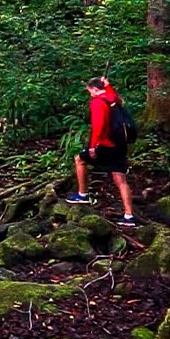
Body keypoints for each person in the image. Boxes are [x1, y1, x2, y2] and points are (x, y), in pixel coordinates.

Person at [65, 76, 136, 227]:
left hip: (105, 143)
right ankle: (129, 216)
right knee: (120, 178)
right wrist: (108, 85)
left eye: (90, 91)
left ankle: (82, 194)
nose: (90, 94)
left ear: (95, 89)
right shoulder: (113, 99)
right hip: (120, 144)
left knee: (80, 159)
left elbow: (99, 125)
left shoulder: (97, 102)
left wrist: (92, 146)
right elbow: (114, 95)